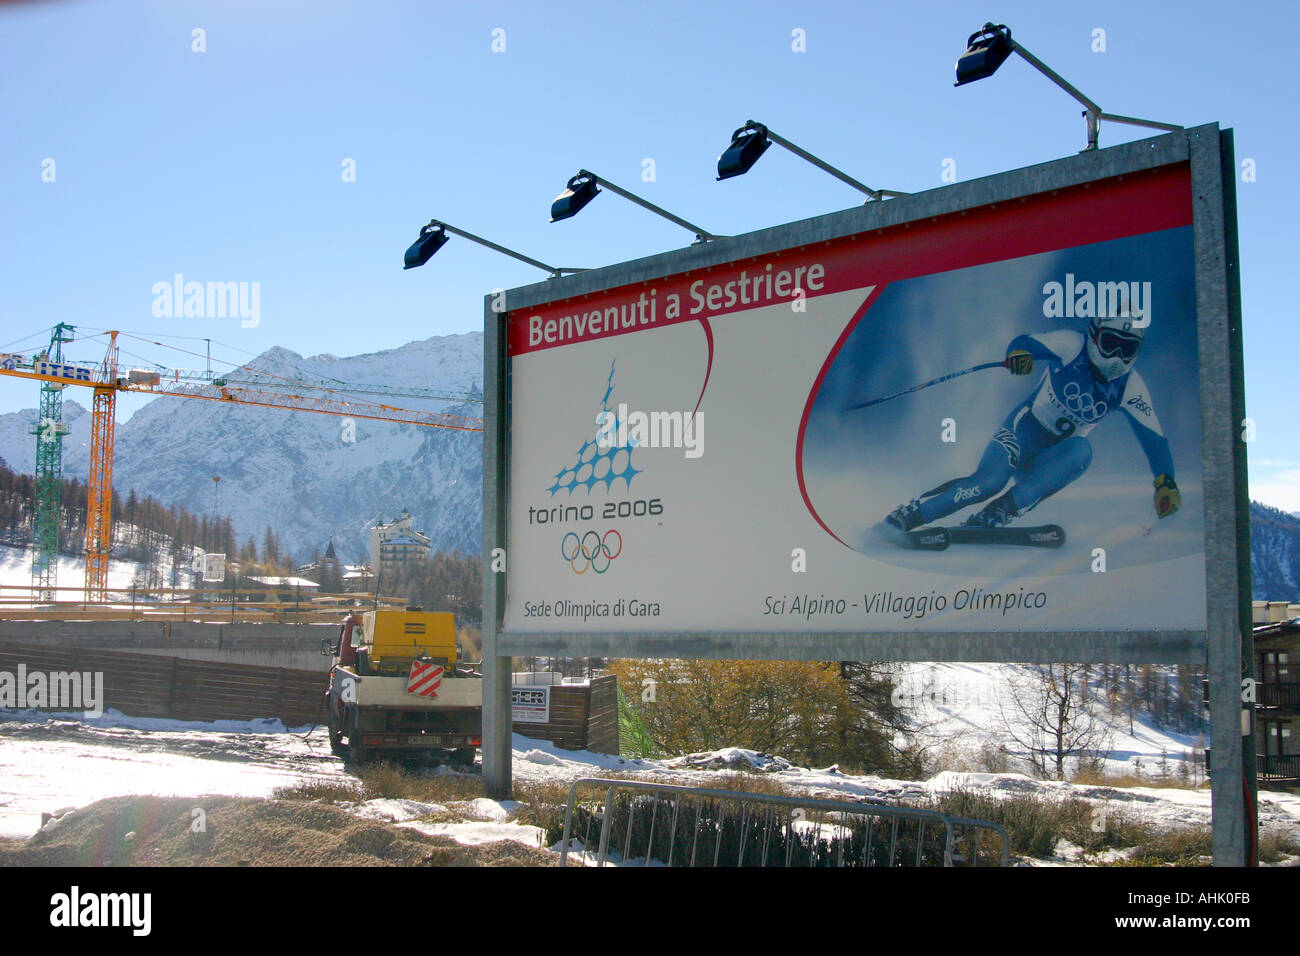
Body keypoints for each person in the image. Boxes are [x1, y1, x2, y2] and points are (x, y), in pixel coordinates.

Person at [878, 313, 1181, 540]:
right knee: (988, 483)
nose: (1116, 357)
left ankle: (999, 512)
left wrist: (1165, 482)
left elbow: (1153, 438)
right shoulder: (1072, 344)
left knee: (1082, 451)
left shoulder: (1131, 386)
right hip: (1021, 434)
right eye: (1110, 343)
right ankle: (910, 515)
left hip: (1051, 459)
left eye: (1126, 350)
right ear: (1093, 336)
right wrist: (1018, 355)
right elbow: (1026, 343)